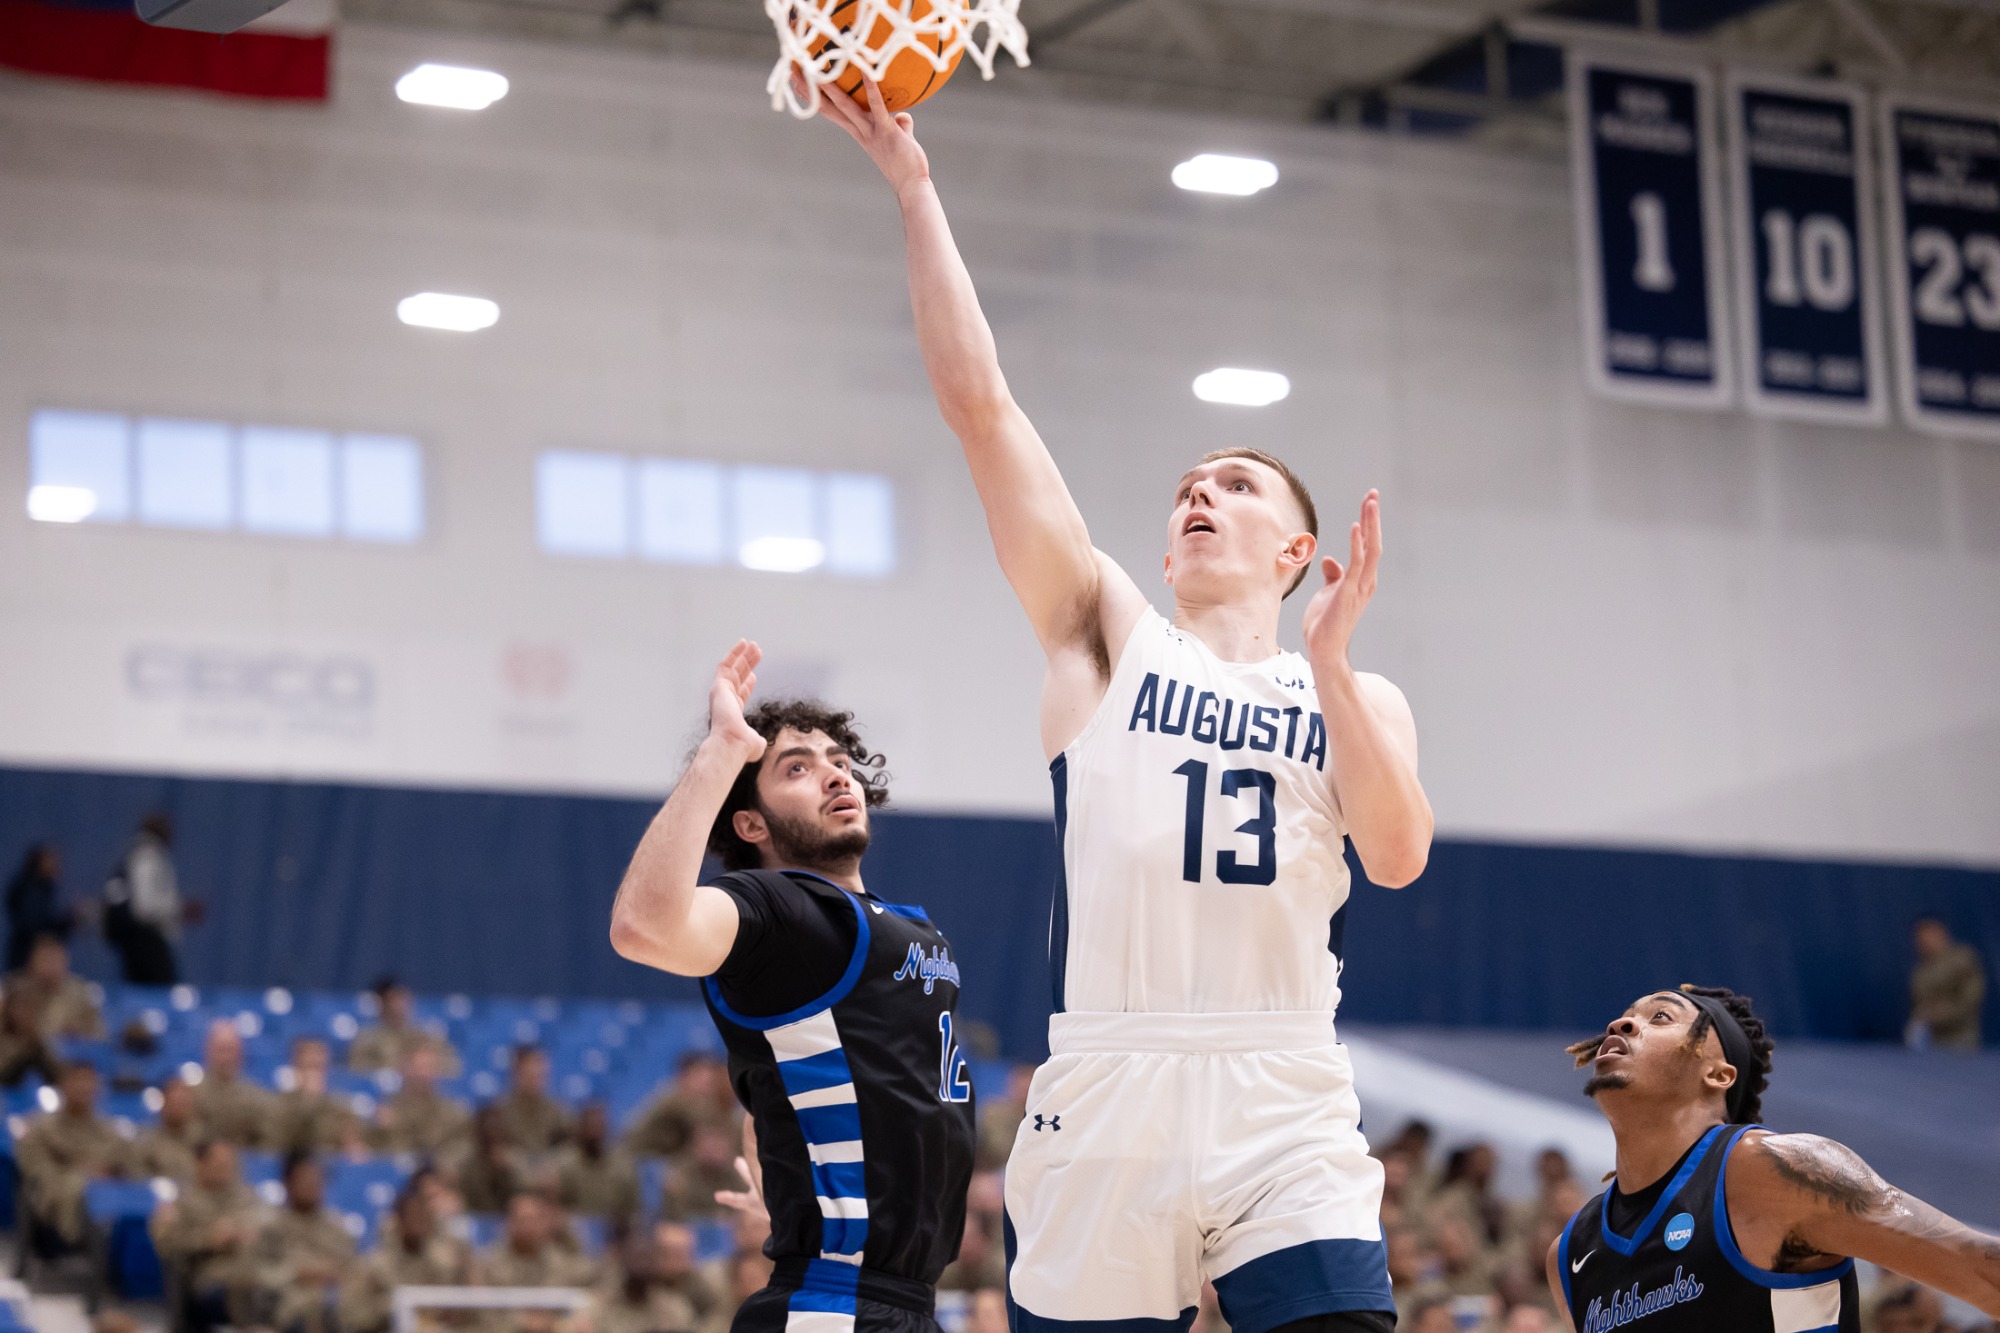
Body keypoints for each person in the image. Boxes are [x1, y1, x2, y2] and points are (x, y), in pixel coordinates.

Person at [814, 82, 1433, 1333]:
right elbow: (980, 408)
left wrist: (1327, 658)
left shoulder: (1355, 689)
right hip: (1108, 1074)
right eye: (1186, 486)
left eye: (1235, 484)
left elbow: (1398, 854)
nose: (1199, 494)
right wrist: (915, 189)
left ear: (1297, 548)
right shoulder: (1103, 634)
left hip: (1282, 1082)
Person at [609, 643, 978, 1333]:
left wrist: (782, 1194)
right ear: (751, 823)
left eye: (840, 760)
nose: (835, 774)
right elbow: (641, 926)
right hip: (833, 1303)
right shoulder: (782, 910)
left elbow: (780, 1074)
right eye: (797, 768)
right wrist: (721, 753)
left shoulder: (892, 925)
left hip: (902, 1304)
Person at [1546, 984, 2000, 1331]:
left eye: (1660, 1017)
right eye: (1623, 1017)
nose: (1620, 1025)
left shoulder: (1772, 1173)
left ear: (1719, 1074)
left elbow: (1980, 1270)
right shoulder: (1570, 1254)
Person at [15, 1061, 135, 1248]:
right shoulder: (40, 1128)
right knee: (85, 1194)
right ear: (62, 1084)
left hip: (111, 1201)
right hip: (61, 1203)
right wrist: (86, 1176)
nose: (83, 1086)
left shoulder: (111, 1131)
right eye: (77, 1079)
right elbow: (39, 1174)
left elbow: (129, 1170)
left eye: (89, 1080)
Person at [150, 1139, 266, 1333]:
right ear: (200, 1164)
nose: (226, 1172)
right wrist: (210, 1239)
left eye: (229, 1166)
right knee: (249, 1297)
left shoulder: (248, 1199)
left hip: (254, 1272)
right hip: (209, 1279)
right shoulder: (180, 1204)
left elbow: (267, 1228)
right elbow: (166, 1245)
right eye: (219, 1166)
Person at [337, 1181, 471, 1333]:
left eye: (424, 1214)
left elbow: (464, 1313)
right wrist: (394, 1307)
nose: (419, 1221)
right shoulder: (375, 1266)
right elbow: (351, 1314)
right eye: (413, 1215)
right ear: (398, 1220)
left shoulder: (447, 1264)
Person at [251, 1152, 356, 1333]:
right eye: (305, 1180)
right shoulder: (270, 1227)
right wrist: (297, 1274)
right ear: (288, 1182)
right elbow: (257, 1273)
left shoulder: (338, 1228)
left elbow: (354, 1270)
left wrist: (337, 1275)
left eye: (316, 1179)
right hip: (288, 1306)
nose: (312, 1185)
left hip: (338, 1304)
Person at [102, 812, 193, 985]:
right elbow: (144, 908)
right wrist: (178, 907)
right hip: (144, 939)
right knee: (157, 992)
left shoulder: (146, 854)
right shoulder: (147, 856)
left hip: (141, 938)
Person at [369, 1043, 471, 1158]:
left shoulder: (450, 1111)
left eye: (429, 1067)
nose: (423, 1074)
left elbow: (449, 1144)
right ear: (404, 1070)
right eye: (418, 1068)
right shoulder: (389, 1106)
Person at [347, 976, 461, 1076]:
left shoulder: (426, 1035)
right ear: (381, 1003)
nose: (400, 1005)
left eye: (403, 998)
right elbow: (357, 1071)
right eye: (393, 999)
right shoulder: (367, 1039)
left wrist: (425, 1069)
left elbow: (452, 1066)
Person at [553, 1101, 640, 1228]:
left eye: (599, 1126)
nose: (595, 1132)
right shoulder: (563, 1163)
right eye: (590, 1126)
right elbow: (555, 1211)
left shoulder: (623, 1164)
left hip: (613, 1231)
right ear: (580, 1128)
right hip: (573, 1230)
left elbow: (632, 1210)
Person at [193, 1018, 276, 1149]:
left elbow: (268, 1141)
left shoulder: (257, 1097)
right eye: (221, 1049)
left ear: (241, 1054)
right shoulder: (192, 1096)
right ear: (208, 1052)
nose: (226, 1058)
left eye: (230, 1050)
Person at [271, 1037, 362, 1155]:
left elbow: (353, 1148)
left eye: (319, 1055)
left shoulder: (341, 1107)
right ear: (295, 1063)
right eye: (309, 1059)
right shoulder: (278, 1105)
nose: (315, 1059)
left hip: (331, 1165)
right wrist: (307, 1098)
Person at [8, 934, 106, 1040]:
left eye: (54, 960)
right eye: (45, 960)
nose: (50, 967)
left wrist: (77, 1034)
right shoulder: (16, 992)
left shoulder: (81, 993)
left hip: (71, 1054)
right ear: (31, 962)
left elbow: (99, 1037)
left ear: (65, 962)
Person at [1908, 919, 1986, 1051]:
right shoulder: (1920, 972)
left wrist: (1934, 1017)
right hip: (1930, 1045)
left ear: (1941, 933)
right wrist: (1917, 1023)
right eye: (1919, 937)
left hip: (1961, 1042)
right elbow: (1920, 1007)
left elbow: (1970, 1000)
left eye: (1927, 934)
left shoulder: (1962, 960)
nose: (1922, 941)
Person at [4, 842, 72, 972]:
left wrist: (68, 921)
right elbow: (37, 927)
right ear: (37, 862)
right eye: (50, 861)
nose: (55, 866)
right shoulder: (29, 891)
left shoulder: (46, 890)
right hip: (24, 958)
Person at [493, 1043, 570, 1156]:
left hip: (548, 1168)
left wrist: (555, 1164)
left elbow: (571, 1144)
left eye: (542, 1076)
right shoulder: (500, 1110)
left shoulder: (556, 1109)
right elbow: (496, 1148)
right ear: (517, 1073)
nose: (538, 1078)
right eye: (532, 1075)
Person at [134, 1076, 203, 1182]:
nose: (179, 1109)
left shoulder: (203, 1140)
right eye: (175, 1103)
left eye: (184, 1104)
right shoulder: (146, 1141)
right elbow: (138, 1179)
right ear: (164, 1103)